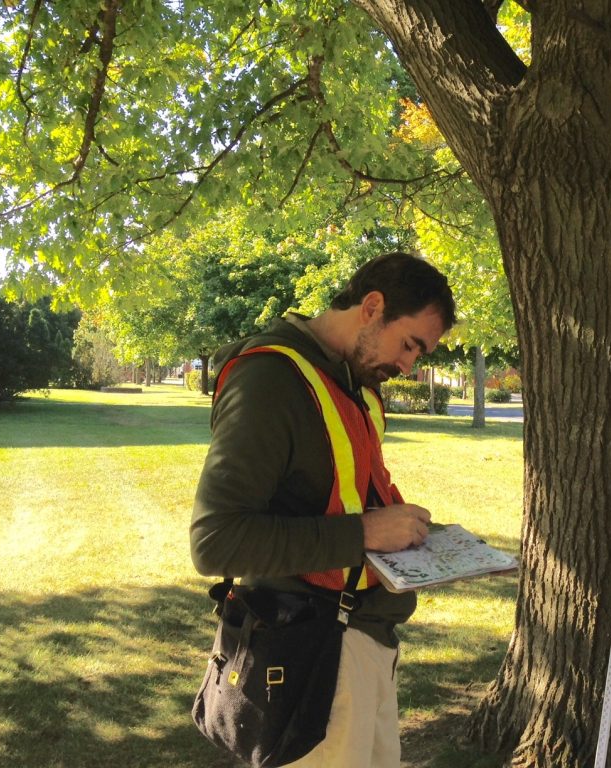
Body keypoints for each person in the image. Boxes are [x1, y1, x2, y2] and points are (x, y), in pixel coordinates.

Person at [190, 251, 456, 768]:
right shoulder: (270, 381)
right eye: (409, 345)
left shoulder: (352, 384)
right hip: (312, 660)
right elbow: (214, 541)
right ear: (372, 306)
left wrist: (411, 536)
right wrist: (363, 534)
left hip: (362, 646)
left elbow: (345, 498)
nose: (408, 366)